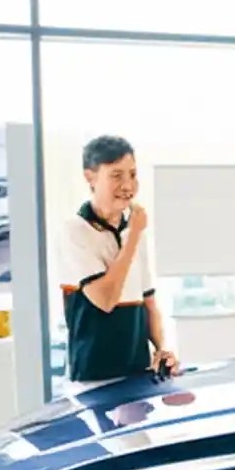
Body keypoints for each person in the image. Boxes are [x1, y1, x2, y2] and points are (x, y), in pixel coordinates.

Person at [57, 135, 180, 385]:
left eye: (133, 175)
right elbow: (105, 299)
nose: (128, 185)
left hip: (138, 371)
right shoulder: (74, 231)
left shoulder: (133, 229)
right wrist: (133, 236)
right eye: (116, 175)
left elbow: (148, 301)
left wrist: (161, 349)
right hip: (94, 375)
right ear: (90, 177)